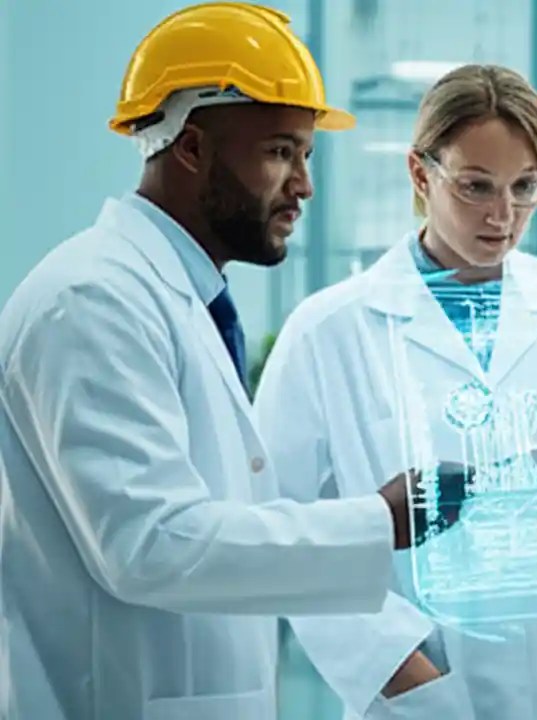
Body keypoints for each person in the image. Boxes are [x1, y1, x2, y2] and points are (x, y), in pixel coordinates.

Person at [0, 5, 428, 720]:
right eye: (279, 152)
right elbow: (150, 545)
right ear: (192, 148)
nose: (303, 185)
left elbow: (224, 529)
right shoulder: (91, 300)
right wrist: (375, 520)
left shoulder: (181, 301)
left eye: (306, 155)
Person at [254, 63, 537, 720]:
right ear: (420, 175)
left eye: (525, 187)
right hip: (426, 691)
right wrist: (404, 672)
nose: (502, 216)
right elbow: (278, 536)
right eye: (475, 186)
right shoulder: (330, 331)